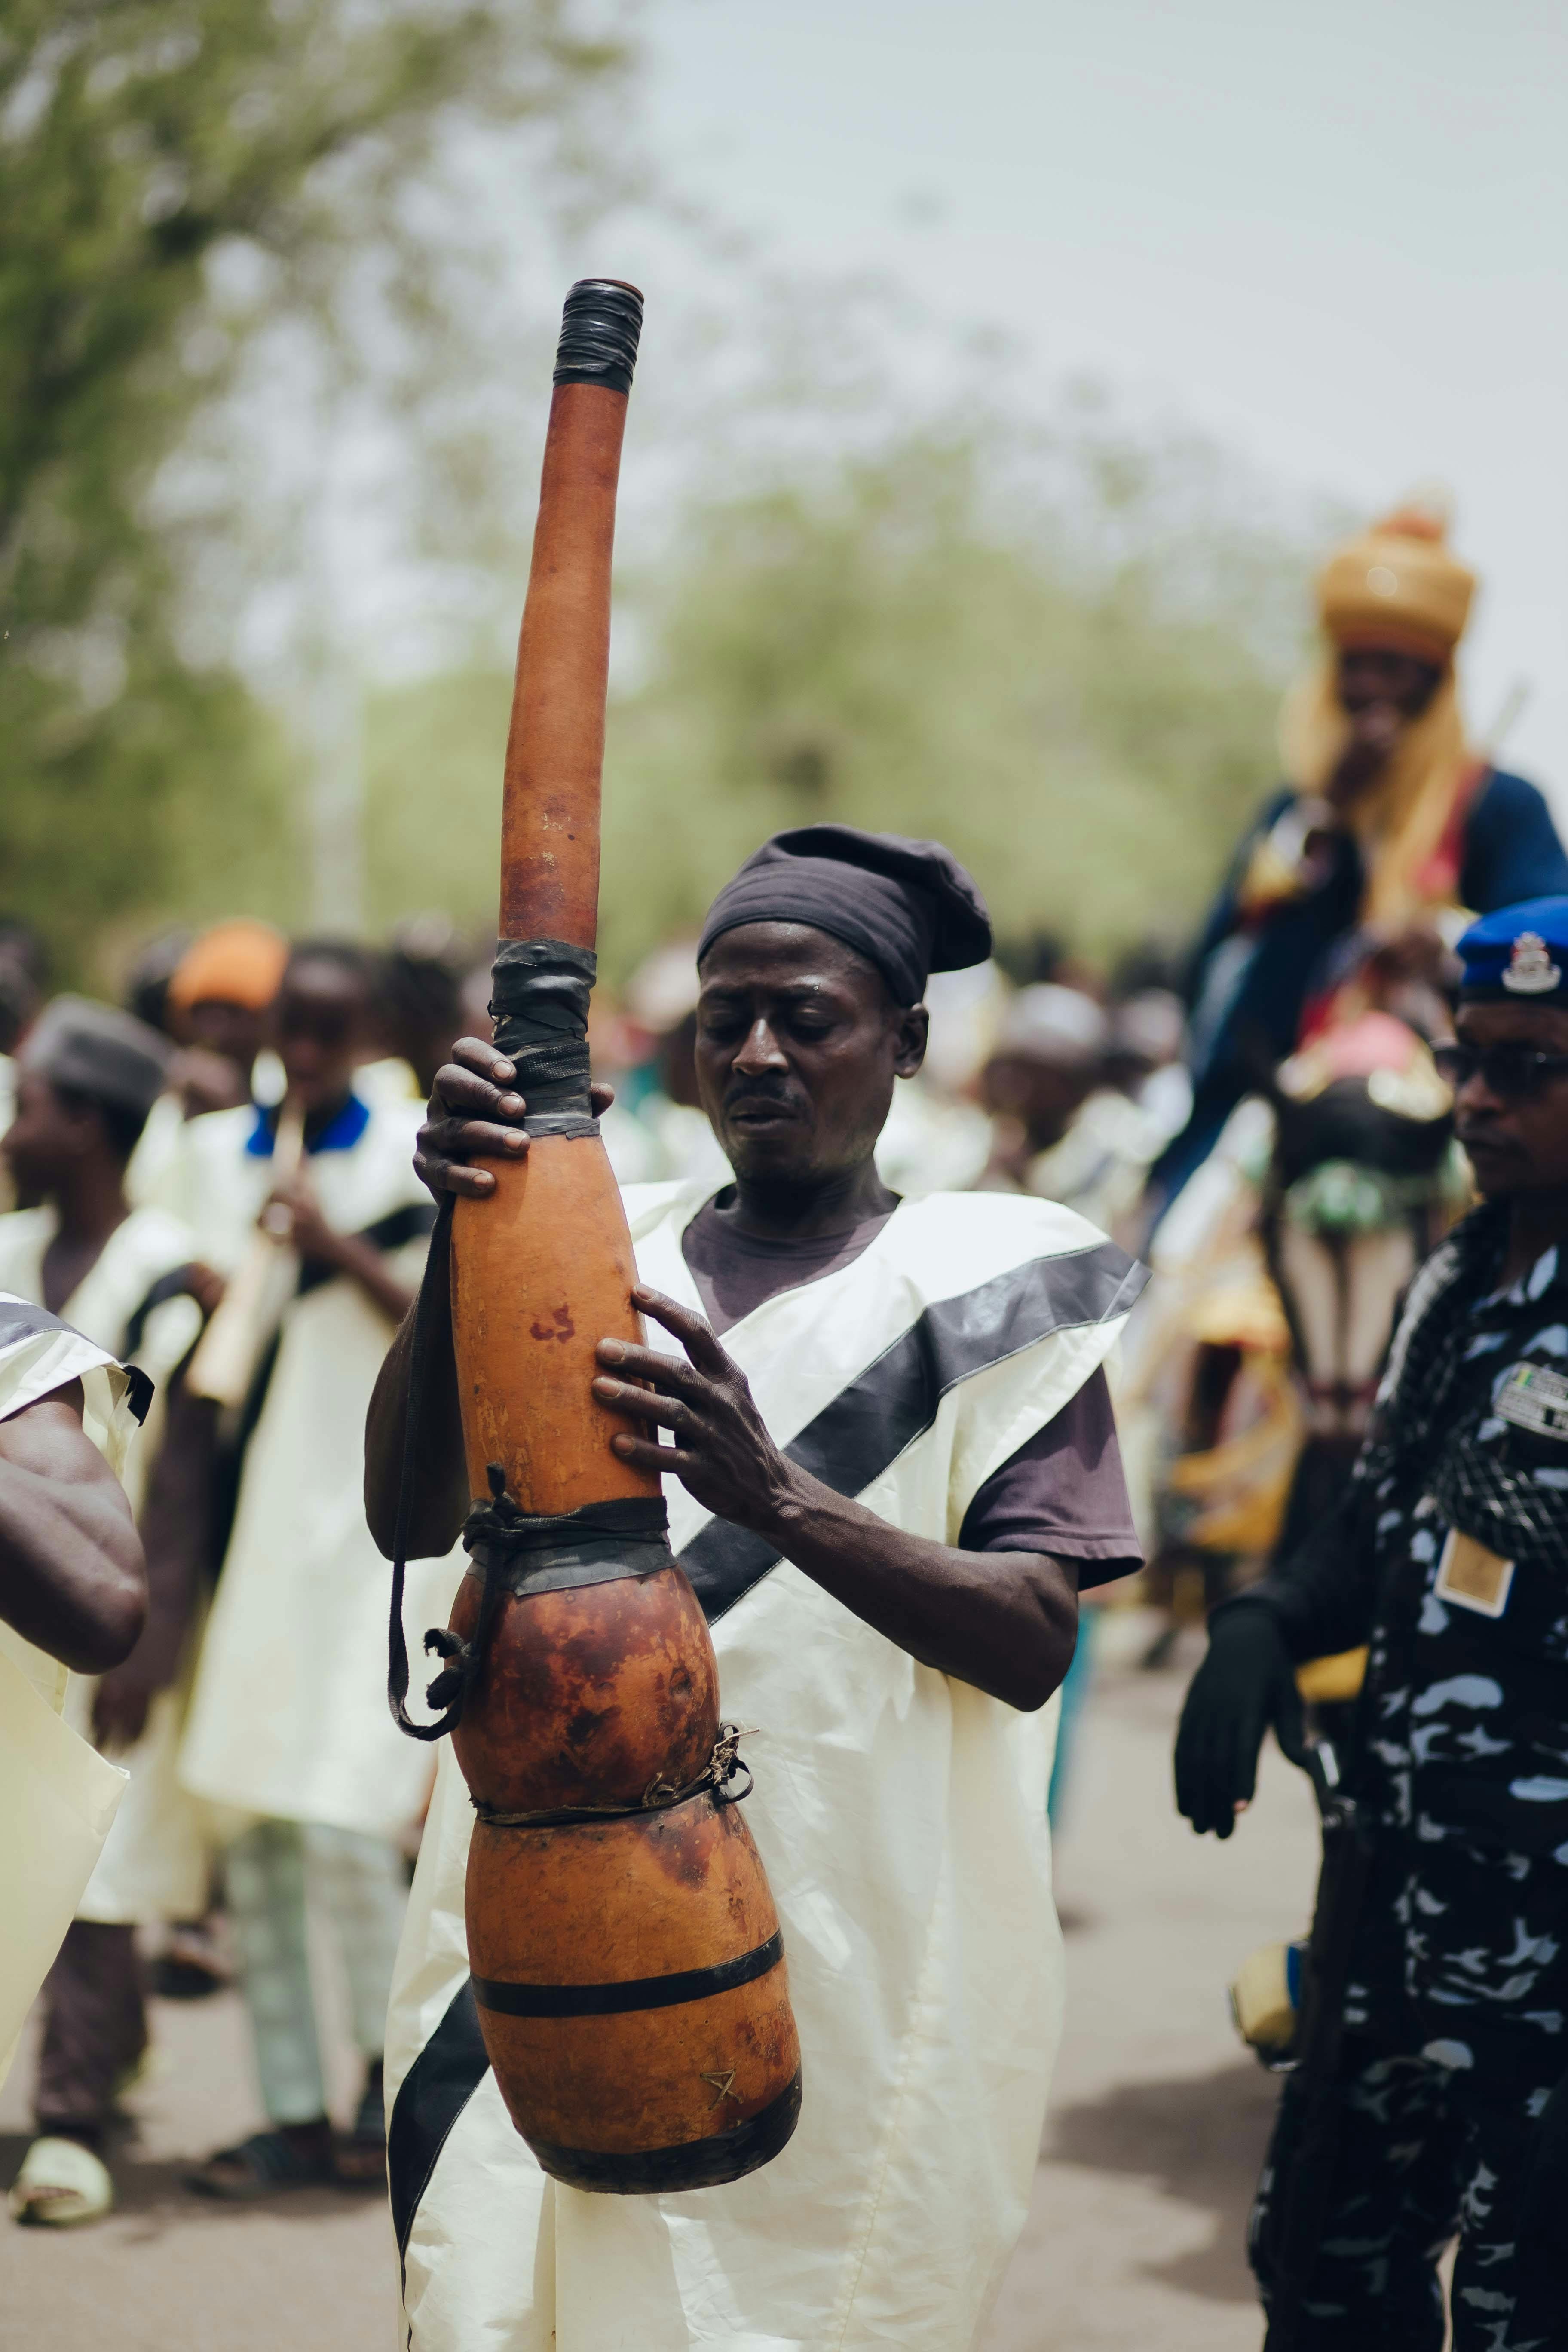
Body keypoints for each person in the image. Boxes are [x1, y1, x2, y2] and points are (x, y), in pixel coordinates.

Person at [366, 824, 1148, 2352]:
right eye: (725, 1017)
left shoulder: (995, 1283)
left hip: (846, 1948)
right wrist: (468, 1231)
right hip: (541, 1937)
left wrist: (775, 1493)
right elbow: (407, 1505)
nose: (759, 1051)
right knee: (496, 2295)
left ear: (908, 1041)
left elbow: (1032, 1638)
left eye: (809, 1014)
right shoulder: (593, 1235)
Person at [1174, 896, 1568, 2349]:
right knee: (1324, 2275)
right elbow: (1380, 1515)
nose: (1472, 1097)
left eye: (1526, 1066)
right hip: (1393, 1900)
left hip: (1548, 1947)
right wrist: (1265, 1615)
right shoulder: (1458, 1279)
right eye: (1468, 1058)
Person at [176, 941, 459, 2198]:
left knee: (346, 1820)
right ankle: (291, 2108)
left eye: (329, 1031)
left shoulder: (409, 1143)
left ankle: (376, 2097)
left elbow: (449, 1313)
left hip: (364, 1536)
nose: (303, 1053)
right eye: (291, 1027)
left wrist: (331, 1245)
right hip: (246, 1530)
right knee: (250, 1820)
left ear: (367, 1037)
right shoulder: (207, 1151)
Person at [1156, 502, 1568, 1207]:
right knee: (1175, 1247)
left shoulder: (1499, 804)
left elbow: (1548, 952)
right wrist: (1324, 819)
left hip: (1446, 1101)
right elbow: (1213, 973)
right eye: (1354, 666)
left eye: (1395, 669)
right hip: (1284, 1099)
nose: (1370, 690)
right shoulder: (1295, 813)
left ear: (1437, 680)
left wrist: (1445, 940)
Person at [0, 1001, 213, 2225]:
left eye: (29, 1102)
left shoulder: (166, 1267)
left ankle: (71, 2118)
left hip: (111, 1585)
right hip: (15, 1593)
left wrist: (163, 1636)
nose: (11, 1125)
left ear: (85, 1121)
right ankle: (105, 2057)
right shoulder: (15, 1247)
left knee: (104, 1856)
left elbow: (183, 1464)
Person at [128, 917, 290, 1211]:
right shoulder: (169, 1086)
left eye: (233, 1011)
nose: (214, 1027)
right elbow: (142, 1189)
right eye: (203, 1010)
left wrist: (235, 1111)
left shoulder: (291, 1086)